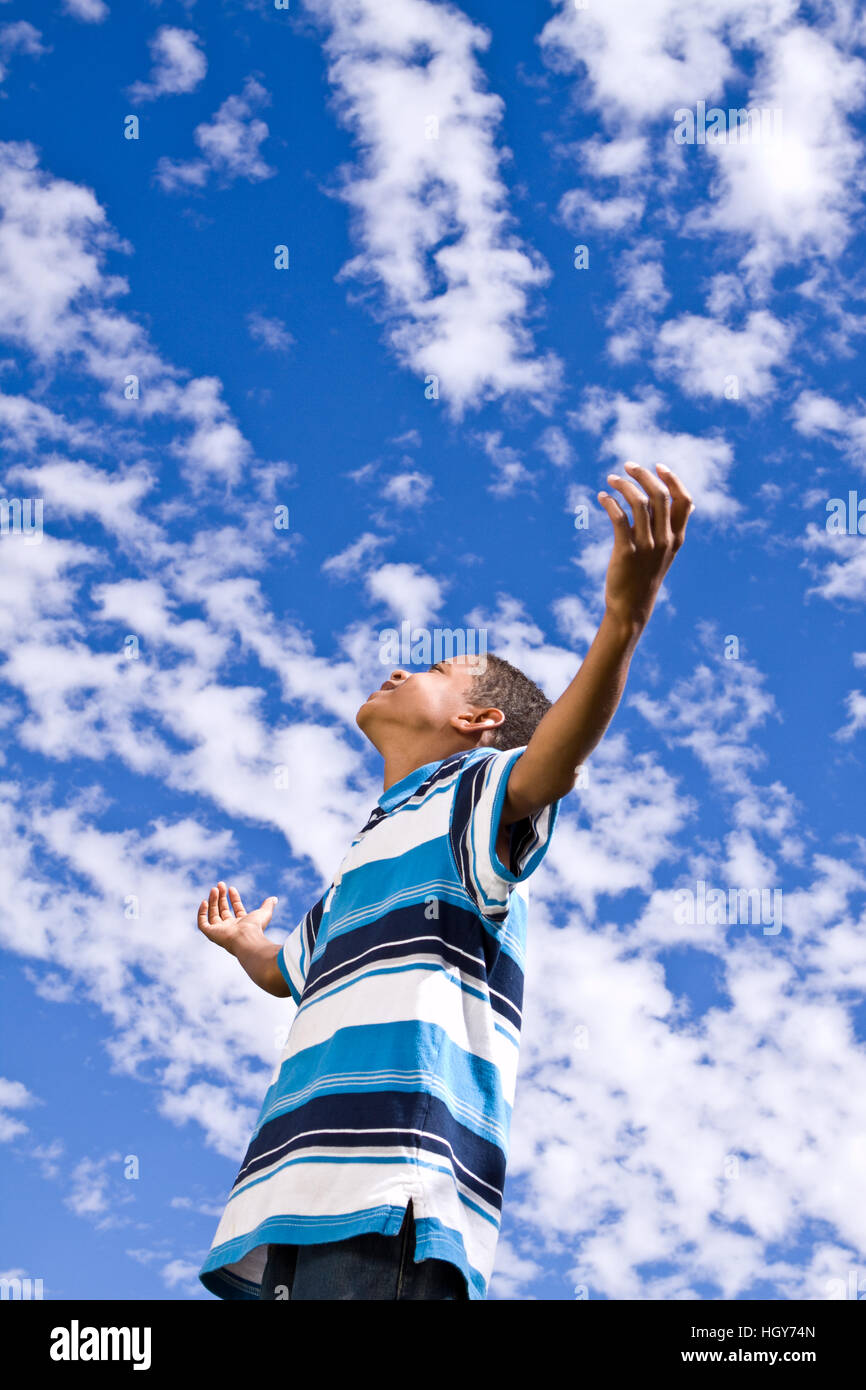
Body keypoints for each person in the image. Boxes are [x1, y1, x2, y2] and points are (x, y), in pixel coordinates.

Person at [196, 461, 694, 1300]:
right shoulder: (366, 856)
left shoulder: (474, 796)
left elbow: (555, 764)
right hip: (290, 1193)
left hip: (390, 1194)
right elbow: (290, 973)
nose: (400, 669)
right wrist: (249, 944)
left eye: (435, 671)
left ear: (479, 721)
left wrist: (624, 618)